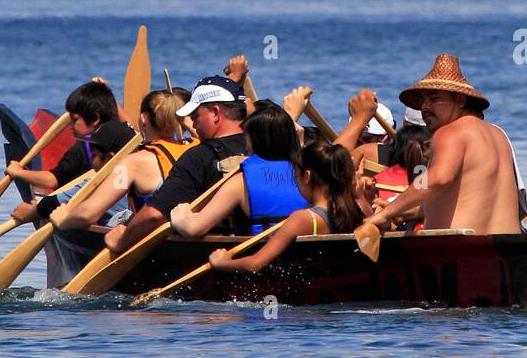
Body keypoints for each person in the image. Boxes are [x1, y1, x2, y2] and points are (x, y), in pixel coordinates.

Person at [366, 55, 520, 236]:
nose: (425, 107)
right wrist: (413, 210)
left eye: (434, 98)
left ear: (460, 100)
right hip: (506, 252)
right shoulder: (499, 136)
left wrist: (387, 212)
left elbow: (437, 178)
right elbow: (475, 197)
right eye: (424, 100)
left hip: (460, 252)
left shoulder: (450, 132)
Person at [102, 75, 248, 254]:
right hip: (262, 247)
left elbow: (154, 216)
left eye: (195, 116)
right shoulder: (268, 148)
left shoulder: (198, 157)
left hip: (209, 255)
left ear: (216, 113)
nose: (193, 123)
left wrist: (122, 240)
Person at [15, 88, 192, 231]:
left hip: (146, 236)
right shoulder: (196, 148)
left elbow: (86, 214)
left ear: (143, 118)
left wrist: (63, 221)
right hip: (181, 231)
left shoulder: (134, 162)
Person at [207, 140, 361, 274]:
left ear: (307, 177)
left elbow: (255, 265)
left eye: (296, 175)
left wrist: (223, 263)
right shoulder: (355, 210)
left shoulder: (302, 219)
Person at [170, 105, 305, 238]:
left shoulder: (240, 182)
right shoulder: (306, 176)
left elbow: (193, 229)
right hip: (302, 251)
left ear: (254, 140)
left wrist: (181, 216)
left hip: (258, 253)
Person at [6, 79, 128, 192]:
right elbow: (131, 126)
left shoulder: (83, 149)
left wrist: (18, 172)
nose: (70, 125)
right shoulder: (126, 134)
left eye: (75, 120)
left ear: (95, 119)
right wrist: (106, 96)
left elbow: (52, 180)